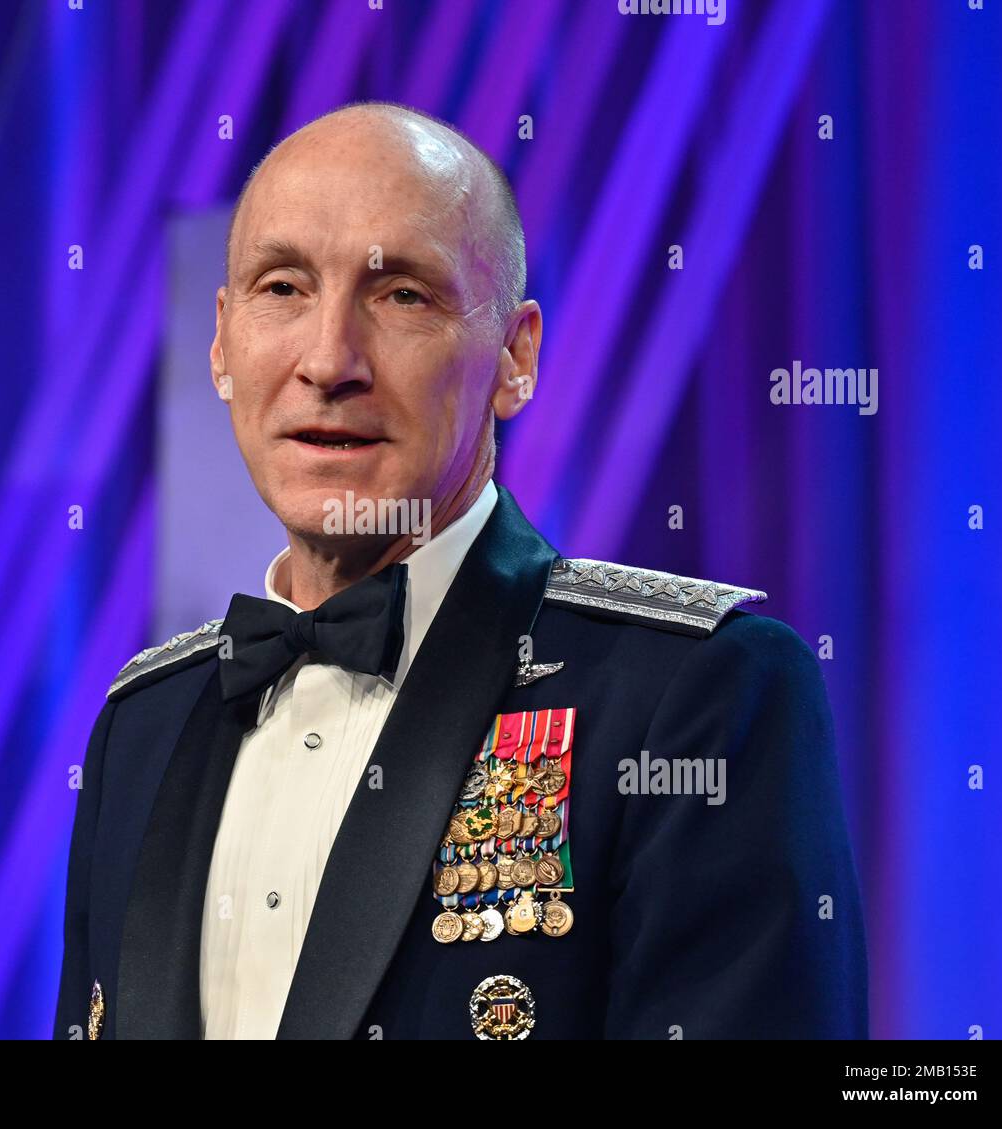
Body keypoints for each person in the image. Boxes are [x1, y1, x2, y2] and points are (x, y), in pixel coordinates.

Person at [53, 100, 867, 1041]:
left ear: (515, 359)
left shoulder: (691, 689)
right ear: (223, 346)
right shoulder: (141, 722)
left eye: (403, 294)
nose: (329, 360)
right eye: (283, 288)